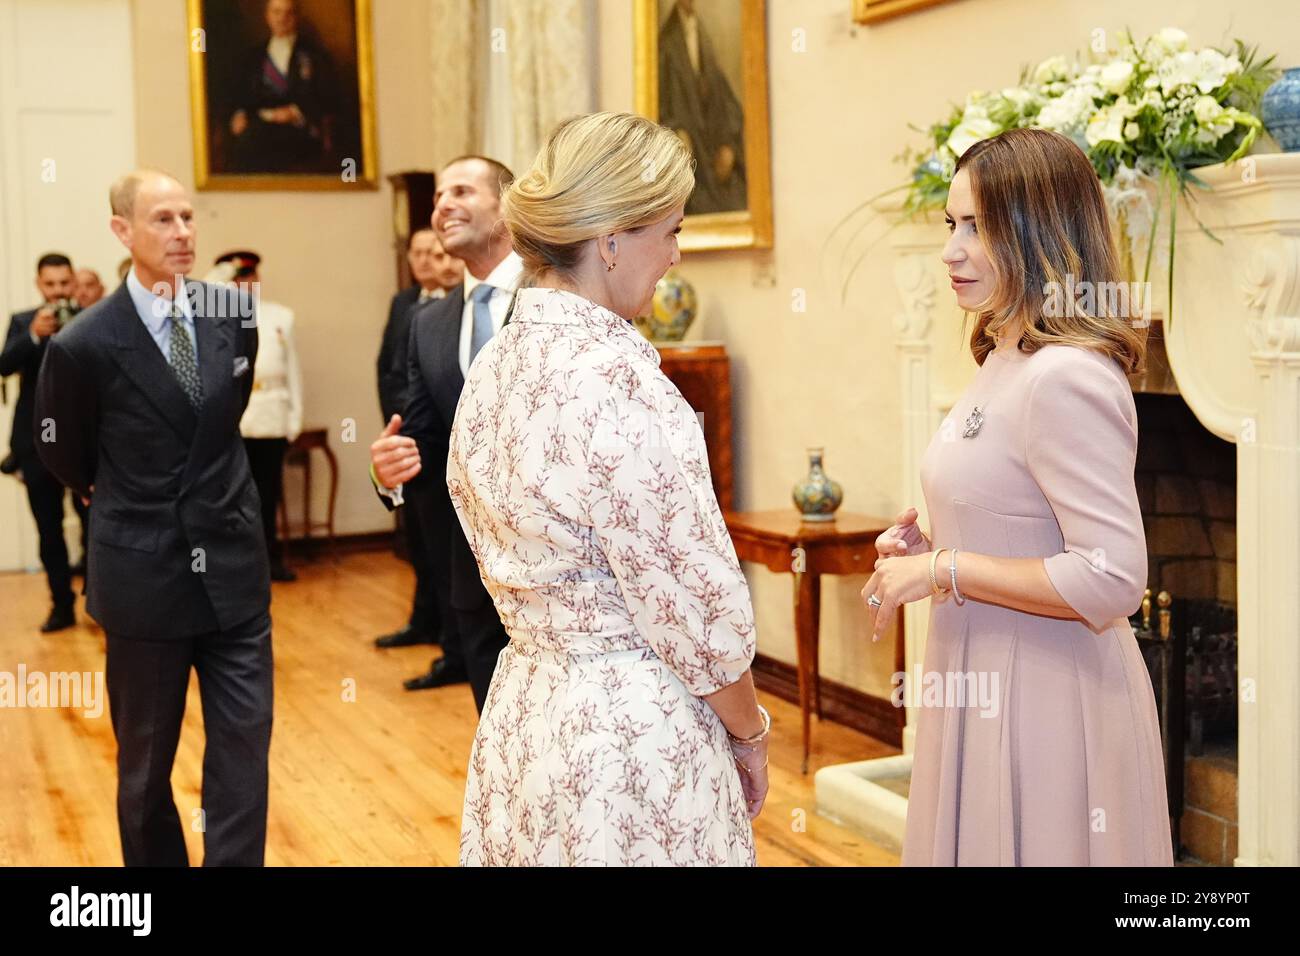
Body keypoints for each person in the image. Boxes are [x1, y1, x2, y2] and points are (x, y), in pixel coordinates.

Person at [447, 112, 769, 866]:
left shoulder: (494, 366)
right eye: (671, 231)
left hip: (528, 713)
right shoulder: (624, 383)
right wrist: (750, 731)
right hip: (631, 741)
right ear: (611, 240)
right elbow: (693, 605)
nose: (676, 255)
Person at [862, 128, 1172, 866]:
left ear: (1038, 235)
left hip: (1049, 703)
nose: (951, 249)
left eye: (978, 227)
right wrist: (928, 549)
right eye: (950, 224)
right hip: (983, 678)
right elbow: (1012, 522)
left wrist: (943, 570)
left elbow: (1112, 575)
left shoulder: (1066, 376)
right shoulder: (1003, 355)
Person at [35, 169, 273, 866]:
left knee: (242, 757)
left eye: (188, 217)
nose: (182, 233)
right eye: (163, 220)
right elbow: (65, 455)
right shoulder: (82, 344)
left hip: (234, 569)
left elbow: (223, 420)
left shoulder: (234, 312)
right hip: (145, 578)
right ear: (122, 232)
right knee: (145, 771)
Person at [369, 156, 519, 706]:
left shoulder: (558, 293)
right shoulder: (426, 324)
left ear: (506, 205)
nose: (443, 206)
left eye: (461, 190)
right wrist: (389, 468)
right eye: (437, 196)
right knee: (497, 749)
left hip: (563, 578)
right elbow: (426, 439)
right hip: (473, 572)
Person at [374, 228, 463, 648]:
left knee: (451, 558)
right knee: (422, 546)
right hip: (414, 440)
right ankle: (426, 623)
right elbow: (389, 369)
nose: (434, 262)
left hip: (450, 447)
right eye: (423, 253)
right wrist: (404, 426)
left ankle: (452, 644)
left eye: (440, 253)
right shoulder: (406, 306)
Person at [1, 253, 83, 631]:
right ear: (39, 285)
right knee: (48, 530)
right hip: (35, 442)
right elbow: (4, 365)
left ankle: (100, 601)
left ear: (73, 282)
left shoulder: (90, 317)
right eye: (50, 284)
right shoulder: (22, 321)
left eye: (64, 283)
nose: (58, 292)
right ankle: (61, 605)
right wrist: (35, 334)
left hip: (83, 440)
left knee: (98, 525)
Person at [216, 250, 303, 583]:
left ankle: (270, 558)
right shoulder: (217, 317)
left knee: (267, 494)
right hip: (237, 418)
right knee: (235, 496)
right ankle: (240, 562)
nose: (245, 283)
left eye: (250, 276)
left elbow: (293, 369)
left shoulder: (280, 316)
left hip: (270, 414)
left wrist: (294, 418)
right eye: (237, 278)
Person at [225, 0, 335, 174]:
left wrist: (295, 112)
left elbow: (327, 96)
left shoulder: (314, 55)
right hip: (257, 125)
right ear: (267, 17)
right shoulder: (253, 56)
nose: (282, 19)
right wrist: (239, 114)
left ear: (296, 17)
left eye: (288, 13)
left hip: (298, 129)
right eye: (276, 12)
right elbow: (241, 94)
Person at [657, 0, 746, 215]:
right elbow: (661, 108)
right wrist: (678, 133)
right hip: (691, 155)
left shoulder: (702, 34)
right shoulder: (667, 42)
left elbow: (724, 100)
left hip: (714, 151)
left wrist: (729, 145)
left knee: (736, 199)